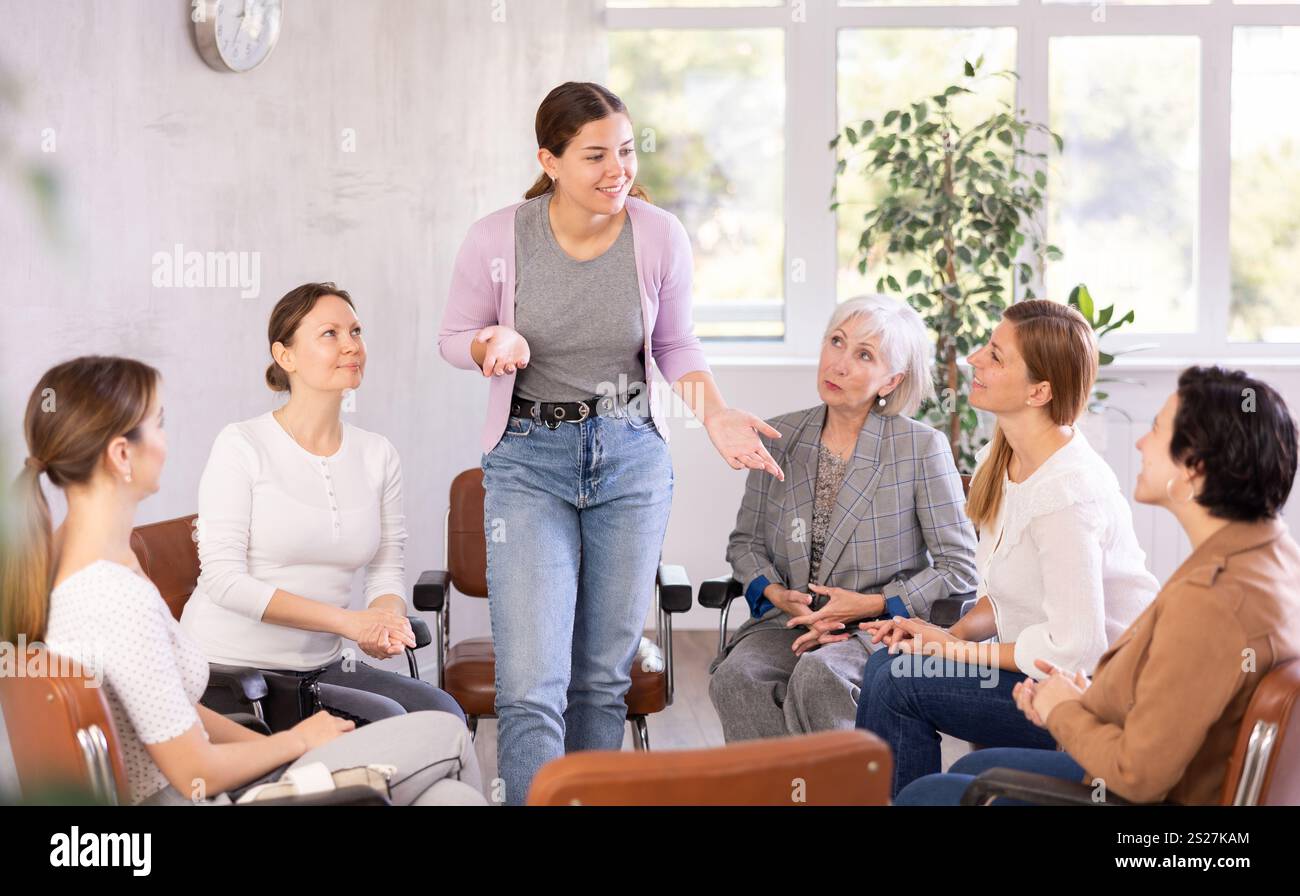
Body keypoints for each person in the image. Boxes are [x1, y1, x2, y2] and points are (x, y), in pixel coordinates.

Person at [438, 81, 784, 804]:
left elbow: (676, 343)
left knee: (601, 679)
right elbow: (453, 336)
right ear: (550, 161)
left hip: (628, 459)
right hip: (528, 460)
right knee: (531, 684)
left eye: (625, 150)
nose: (617, 170)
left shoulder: (657, 235)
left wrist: (715, 414)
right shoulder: (498, 238)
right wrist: (488, 342)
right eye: (595, 155)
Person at [0, 356, 483, 805]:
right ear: (122, 455)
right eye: (159, 424)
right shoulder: (113, 597)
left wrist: (272, 747)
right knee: (447, 734)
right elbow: (196, 772)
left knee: (449, 798)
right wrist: (298, 741)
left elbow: (174, 713)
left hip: (213, 785)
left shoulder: (78, 564)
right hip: (208, 796)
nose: (167, 441)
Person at [895, 366, 1300, 805]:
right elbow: (1182, 703)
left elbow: (1138, 775)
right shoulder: (1269, 557)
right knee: (974, 769)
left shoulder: (1211, 601)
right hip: (1164, 768)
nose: (1141, 443)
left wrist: (1063, 711)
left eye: (1156, 430)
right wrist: (1082, 700)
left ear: (1193, 468)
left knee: (928, 794)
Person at [855, 300, 1159, 797]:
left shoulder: (1067, 493)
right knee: (888, 664)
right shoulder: (1005, 461)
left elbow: (1077, 648)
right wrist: (945, 635)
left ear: (1039, 391)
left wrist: (957, 651)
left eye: (995, 356)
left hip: (1092, 703)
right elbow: (1010, 596)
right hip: (1040, 675)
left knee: (896, 681)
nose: (973, 359)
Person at [179, 283, 465, 728]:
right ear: (285, 356)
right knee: (395, 726)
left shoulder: (377, 454)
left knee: (443, 715)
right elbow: (223, 580)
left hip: (321, 668)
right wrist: (349, 624)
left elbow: (386, 569)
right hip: (233, 673)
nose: (351, 345)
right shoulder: (242, 444)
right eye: (330, 333)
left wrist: (384, 623)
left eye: (356, 331)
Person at [708, 294, 977, 739]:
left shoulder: (920, 448)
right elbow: (746, 543)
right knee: (738, 678)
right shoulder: (778, 436)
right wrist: (777, 594)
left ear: (891, 381)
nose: (839, 364)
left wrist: (873, 603)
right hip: (789, 623)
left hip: (879, 628)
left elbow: (959, 565)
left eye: (864, 355)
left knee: (820, 675)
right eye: (836, 342)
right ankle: (786, 780)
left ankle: (827, 779)